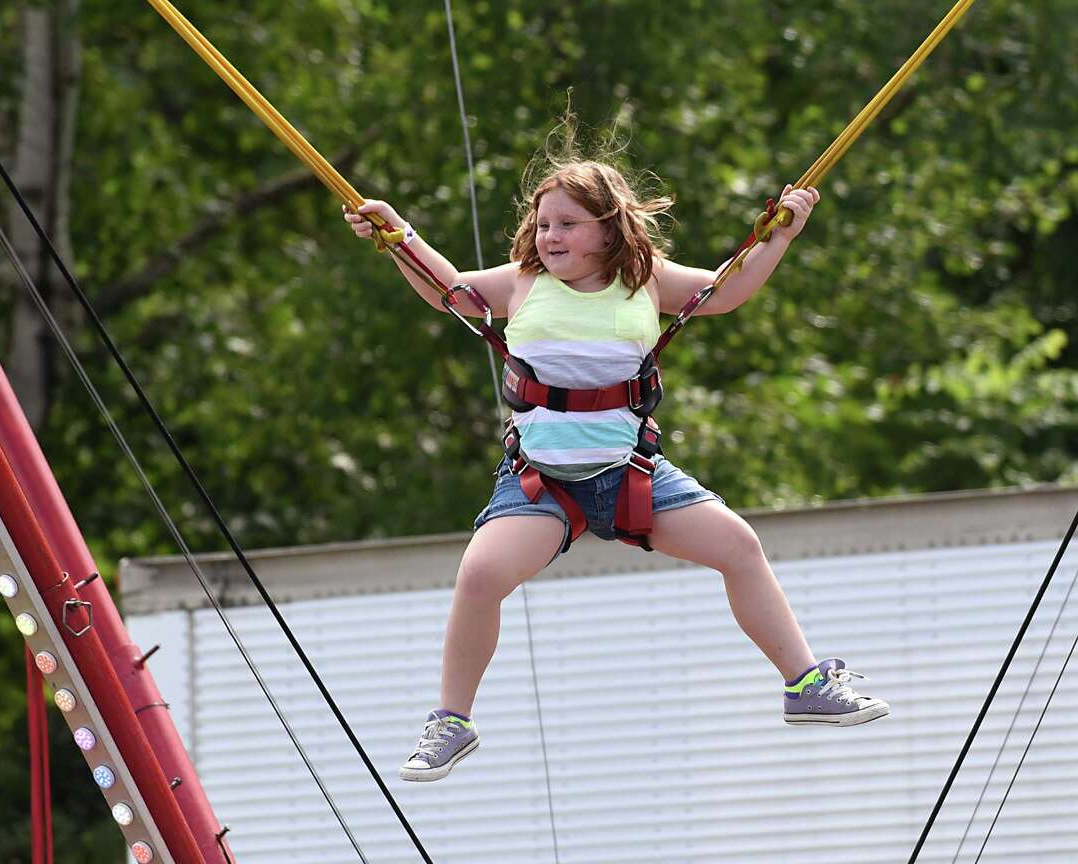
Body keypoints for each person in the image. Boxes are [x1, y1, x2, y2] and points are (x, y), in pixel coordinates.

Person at [343, 148, 889, 783]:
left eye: (568, 223)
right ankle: (451, 723)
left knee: (739, 545)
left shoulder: (647, 280)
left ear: (608, 227)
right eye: (544, 224)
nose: (550, 236)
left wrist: (780, 236)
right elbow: (452, 292)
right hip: (542, 481)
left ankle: (805, 683)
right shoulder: (523, 283)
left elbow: (725, 289)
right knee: (480, 574)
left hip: (628, 473)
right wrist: (399, 237)